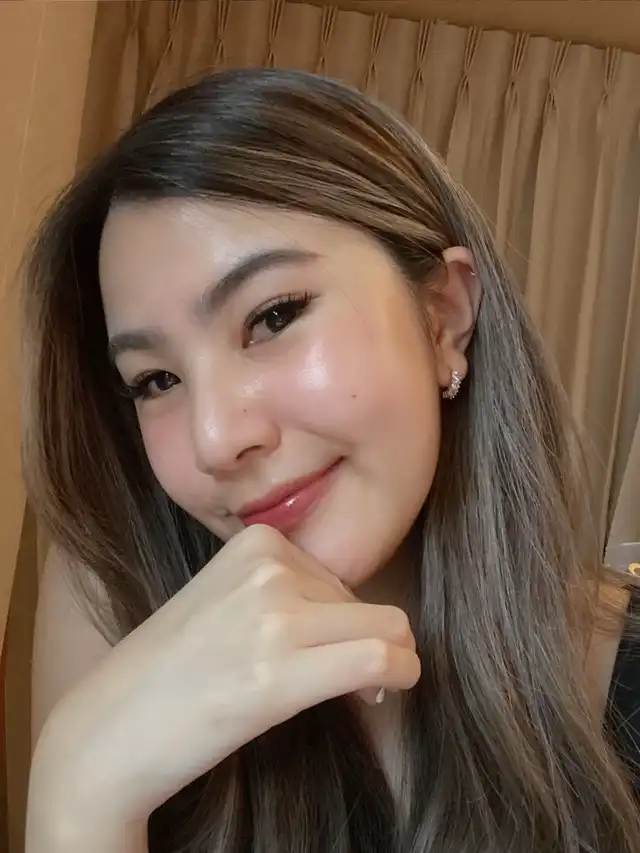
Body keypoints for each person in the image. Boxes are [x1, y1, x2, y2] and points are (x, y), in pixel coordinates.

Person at [22, 68, 639, 853]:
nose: (215, 439)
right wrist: (78, 795)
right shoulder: (113, 604)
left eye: (274, 315)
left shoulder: (620, 676)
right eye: (156, 380)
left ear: (443, 316)